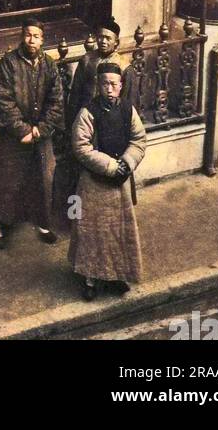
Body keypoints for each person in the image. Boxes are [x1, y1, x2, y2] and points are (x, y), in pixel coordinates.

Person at [69, 61, 147, 300]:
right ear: (98, 86)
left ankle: (115, 275)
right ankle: (90, 278)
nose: (110, 88)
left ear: (121, 85)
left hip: (120, 181)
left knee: (117, 230)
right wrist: (111, 166)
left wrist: (126, 162)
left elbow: (139, 139)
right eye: (105, 84)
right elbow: (81, 148)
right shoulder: (87, 113)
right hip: (94, 182)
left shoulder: (127, 109)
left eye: (114, 84)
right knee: (92, 232)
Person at [0, 19, 63, 249]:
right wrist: (22, 129)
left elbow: (56, 100)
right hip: (14, 134)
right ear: (22, 36)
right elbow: (3, 99)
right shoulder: (8, 64)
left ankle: (43, 222)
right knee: (6, 179)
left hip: (40, 132)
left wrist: (41, 128)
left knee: (44, 175)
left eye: (37, 36)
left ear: (43, 39)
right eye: (28, 35)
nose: (32, 40)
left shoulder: (49, 65)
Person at [53, 17, 132, 231]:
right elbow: (76, 94)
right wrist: (71, 124)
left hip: (109, 129)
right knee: (77, 176)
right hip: (84, 126)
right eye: (100, 37)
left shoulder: (124, 67)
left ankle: (104, 222)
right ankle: (73, 219)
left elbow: (127, 104)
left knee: (105, 177)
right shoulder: (87, 60)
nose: (103, 41)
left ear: (116, 43)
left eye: (108, 38)